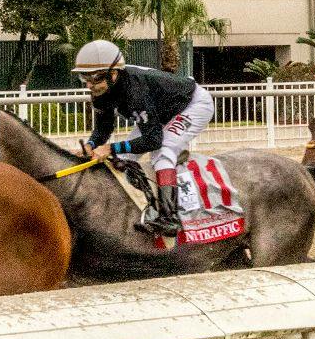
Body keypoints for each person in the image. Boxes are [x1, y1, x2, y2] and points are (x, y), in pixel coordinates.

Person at [75, 39, 213, 240]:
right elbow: (103, 128)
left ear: (113, 74)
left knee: (163, 152)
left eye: (95, 78)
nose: (89, 85)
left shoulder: (135, 90)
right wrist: (90, 145)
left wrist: (110, 148)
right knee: (123, 155)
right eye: (84, 78)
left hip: (193, 105)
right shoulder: (100, 90)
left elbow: (153, 140)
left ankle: (169, 218)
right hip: (161, 112)